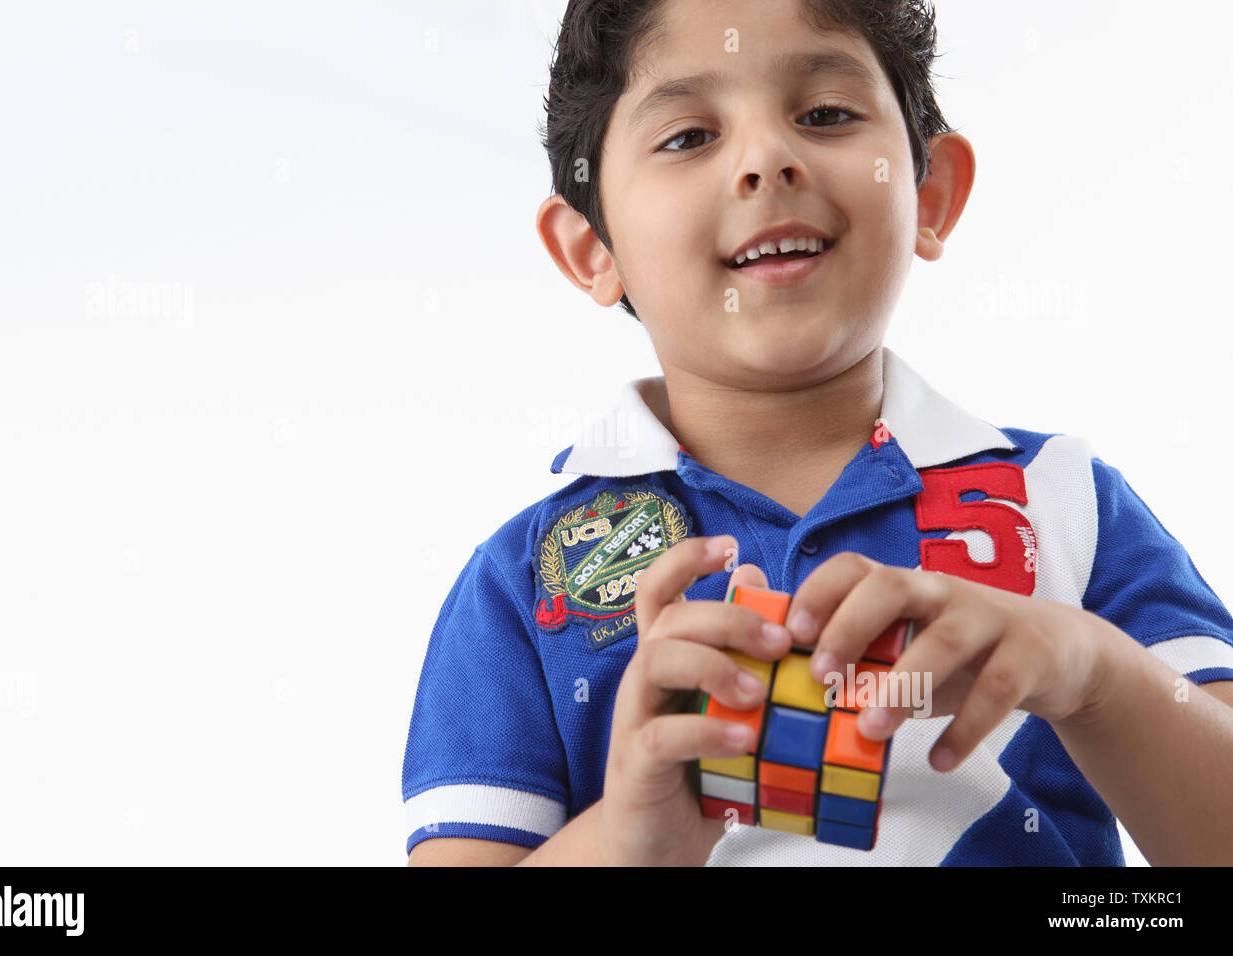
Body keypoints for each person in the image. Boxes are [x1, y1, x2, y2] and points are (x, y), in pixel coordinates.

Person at [401, 0, 1233, 865]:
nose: (768, 158)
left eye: (827, 114)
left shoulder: (1064, 499)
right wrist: (627, 843)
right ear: (591, 248)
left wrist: (1091, 675)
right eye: (689, 136)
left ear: (931, 192)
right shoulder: (519, 584)